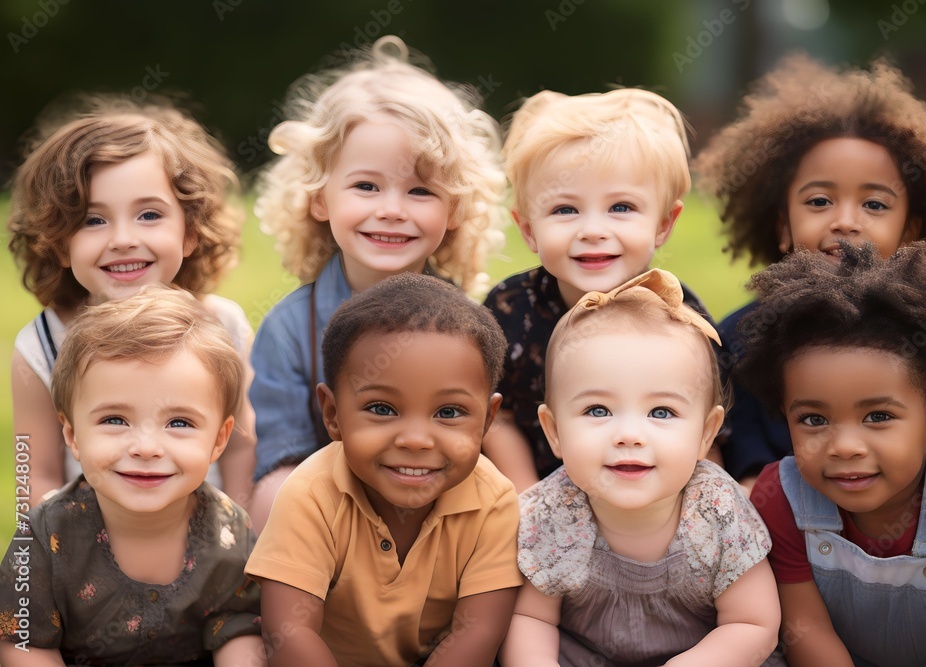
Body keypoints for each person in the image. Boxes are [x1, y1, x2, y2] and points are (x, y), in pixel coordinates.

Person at [692, 54, 926, 491]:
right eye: (818, 201)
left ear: (910, 230)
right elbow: (741, 448)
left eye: (874, 204)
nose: (846, 221)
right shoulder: (743, 335)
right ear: (781, 226)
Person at [248, 35, 506, 526]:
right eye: (366, 186)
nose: (391, 210)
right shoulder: (289, 329)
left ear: (455, 207)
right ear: (319, 198)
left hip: (440, 516)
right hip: (326, 518)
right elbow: (280, 463)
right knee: (272, 495)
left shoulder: (471, 326)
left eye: (420, 190)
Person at [501, 269, 782, 667]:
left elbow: (753, 624)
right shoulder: (550, 514)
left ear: (706, 434)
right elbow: (531, 618)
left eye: (661, 411)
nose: (629, 435)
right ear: (554, 431)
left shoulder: (718, 509)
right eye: (598, 410)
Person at [740, 243, 926, 666]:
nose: (844, 447)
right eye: (813, 420)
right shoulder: (781, 498)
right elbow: (809, 631)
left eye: (878, 416)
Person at [245, 273, 522, 667]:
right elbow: (289, 631)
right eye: (382, 409)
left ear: (487, 421)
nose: (415, 440)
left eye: (449, 413)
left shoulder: (493, 501)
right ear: (333, 414)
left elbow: (478, 632)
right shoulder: (311, 493)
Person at [8, 95, 257, 508]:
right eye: (93, 220)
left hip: (210, 552)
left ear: (190, 232)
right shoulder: (42, 345)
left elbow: (240, 449)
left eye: (149, 215)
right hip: (89, 555)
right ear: (59, 242)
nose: (123, 239)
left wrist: (244, 551)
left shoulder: (221, 325)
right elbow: (32, 477)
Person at [0, 286, 262, 666]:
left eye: (178, 422)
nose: (145, 447)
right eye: (115, 420)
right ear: (72, 434)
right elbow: (23, 641)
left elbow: (237, 623)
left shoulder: (228, 531)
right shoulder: (43, 539)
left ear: (219, 439)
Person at [483, 88, 712, 493]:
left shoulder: (678, 316)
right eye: (565, 210)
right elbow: (494, 414)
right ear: (528, 229)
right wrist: (524, 495)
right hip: (537, 487)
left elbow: (702, 424)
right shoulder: (510, 310)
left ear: (663, 223)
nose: (592, 231)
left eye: (621, 207)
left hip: (648, 494)